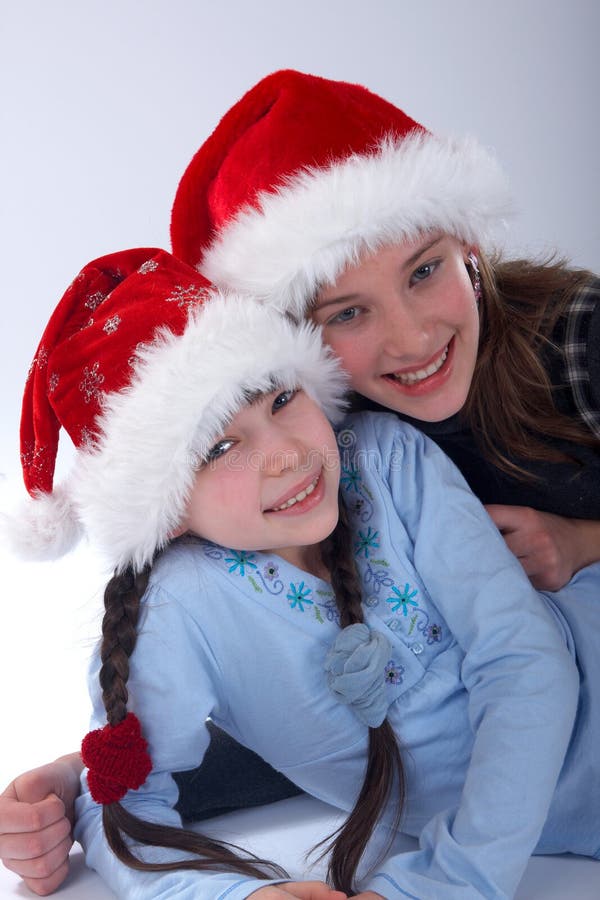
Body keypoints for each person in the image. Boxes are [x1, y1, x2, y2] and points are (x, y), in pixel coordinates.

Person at [3, 67, 600, 892]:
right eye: (219, 447)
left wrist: (447, 884)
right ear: (165, 506)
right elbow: (236, 760)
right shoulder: (189, 601)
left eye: (284, 399)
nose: (283, 453)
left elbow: (520, 661)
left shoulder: (398, 451)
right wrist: (93, 783)